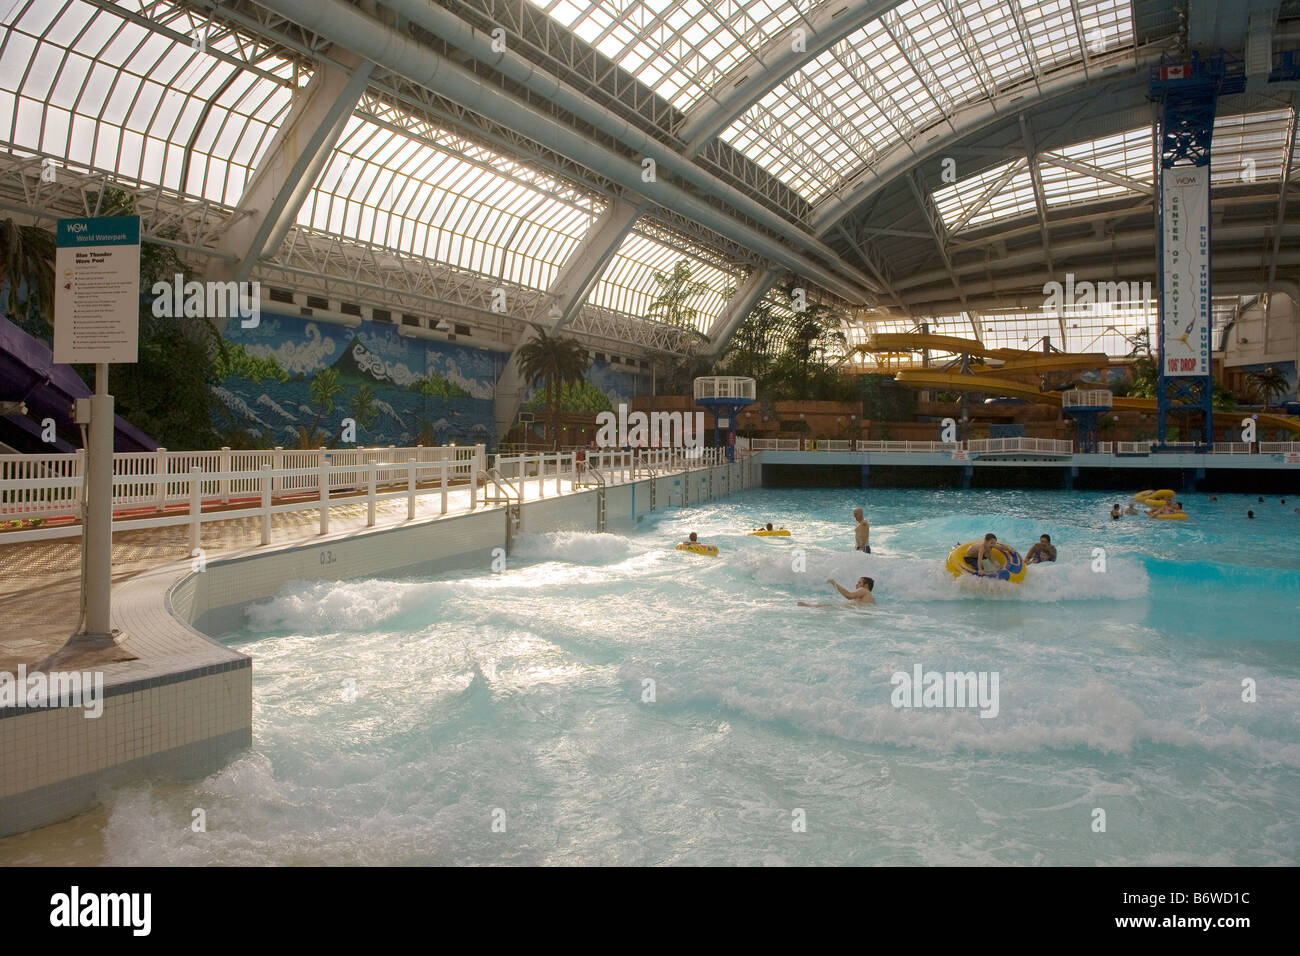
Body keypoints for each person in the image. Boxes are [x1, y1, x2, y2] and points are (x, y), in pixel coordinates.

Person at [799, 576, 875, 607]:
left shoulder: (864, 590)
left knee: (828, 606)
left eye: (859, 583)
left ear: (866, 585)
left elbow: (849, 596)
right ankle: (809, 606)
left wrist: (834, 583)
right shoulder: (866, 596)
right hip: (864, 614)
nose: (856, 585)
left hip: (862, 614)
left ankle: (808, 606)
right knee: (830, 606)